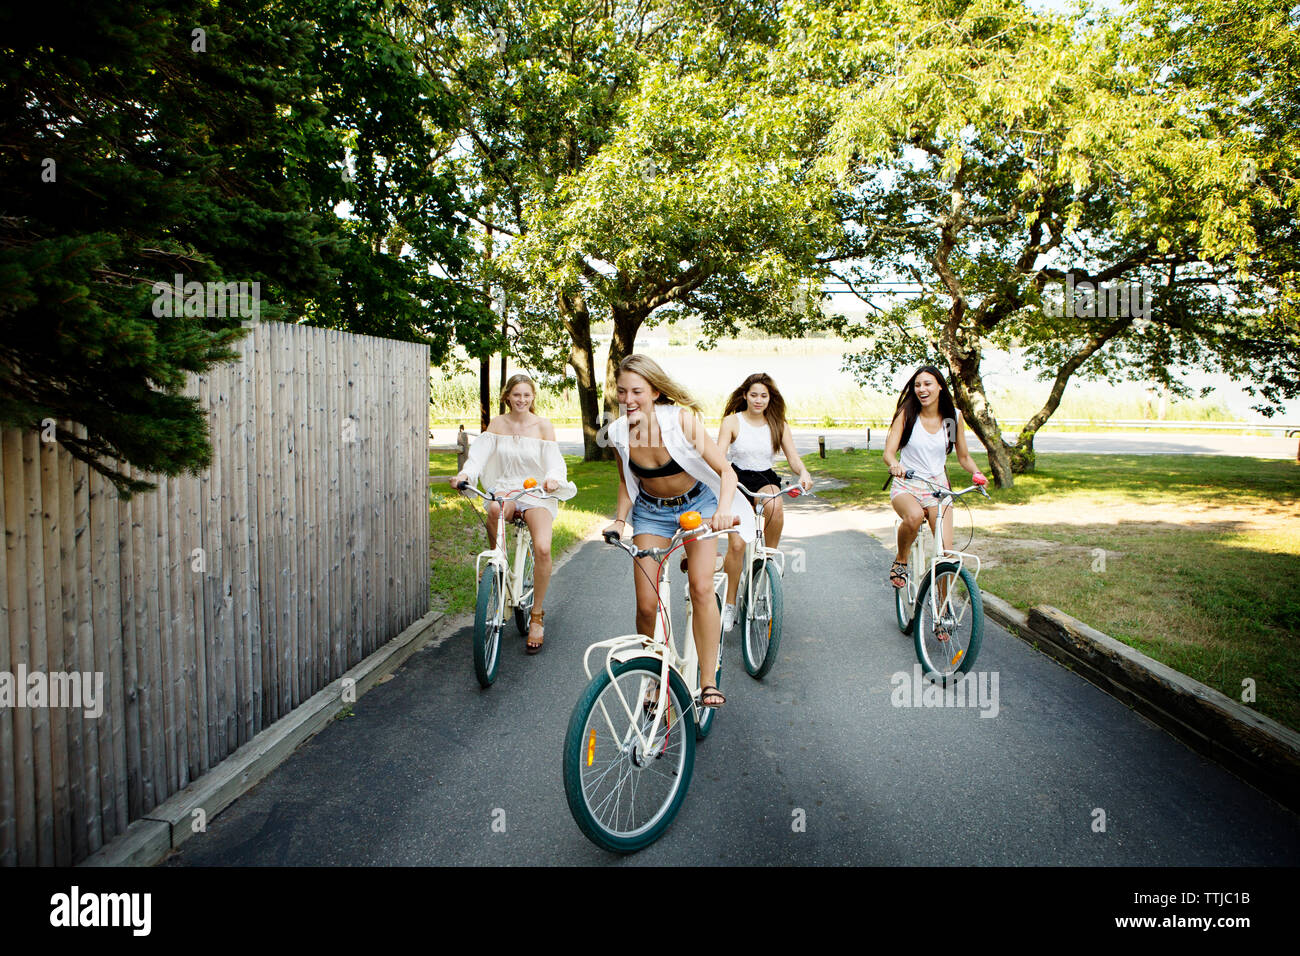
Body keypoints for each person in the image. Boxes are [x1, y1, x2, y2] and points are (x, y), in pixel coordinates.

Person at [602, 355, 754, 708]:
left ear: (655, 391)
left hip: (697, 507)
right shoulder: (617, 432)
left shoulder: (681, 421)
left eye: (637, 391)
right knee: (646, 603)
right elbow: (627, 482)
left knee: (701, 588)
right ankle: (656, 676)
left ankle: (707, 679)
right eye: (622, 392)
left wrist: (723, 511)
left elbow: (727, 472)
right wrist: (620, 520)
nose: (628, 400)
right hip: (651, 514)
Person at [451, 373, 574, 653]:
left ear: (533, 397)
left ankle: (537, 615)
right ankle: (499, 562)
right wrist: (465, 474)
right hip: (506, 489)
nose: (521, 400)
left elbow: (554, 461)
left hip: (536, 492)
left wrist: (553, 478)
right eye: (516, 395)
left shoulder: (543, 426)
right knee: (494, 509)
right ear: (507, 396)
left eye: (526, 395)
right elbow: (478, 456)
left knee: (542, 548)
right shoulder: (497, 424)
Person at [883, 366, 986, 635]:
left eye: (928, 384)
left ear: (940, 386)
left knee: (946, 554)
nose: (922, 390)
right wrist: (895, 465)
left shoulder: (953, 418)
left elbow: (962, 456)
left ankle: (941, 611)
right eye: (918, 385)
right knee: (914, 517)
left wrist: (976, 473)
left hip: (938, 488)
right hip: (908, 483)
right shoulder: (908, 413)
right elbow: (889, 452)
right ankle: (902, 559)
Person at [715, 373, 813, 632]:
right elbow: (719, 456)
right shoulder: (732, 422)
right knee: (736, 545)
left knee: (774, 505)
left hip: (764, 477)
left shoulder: (777, 423)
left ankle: (769, 560)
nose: (758, 400)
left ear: (770, 399)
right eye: (754, 394)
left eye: (764, 396)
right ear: (745, 395)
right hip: (736, 478)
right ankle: (729, 605)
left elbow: (792, 457)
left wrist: (803, 473)